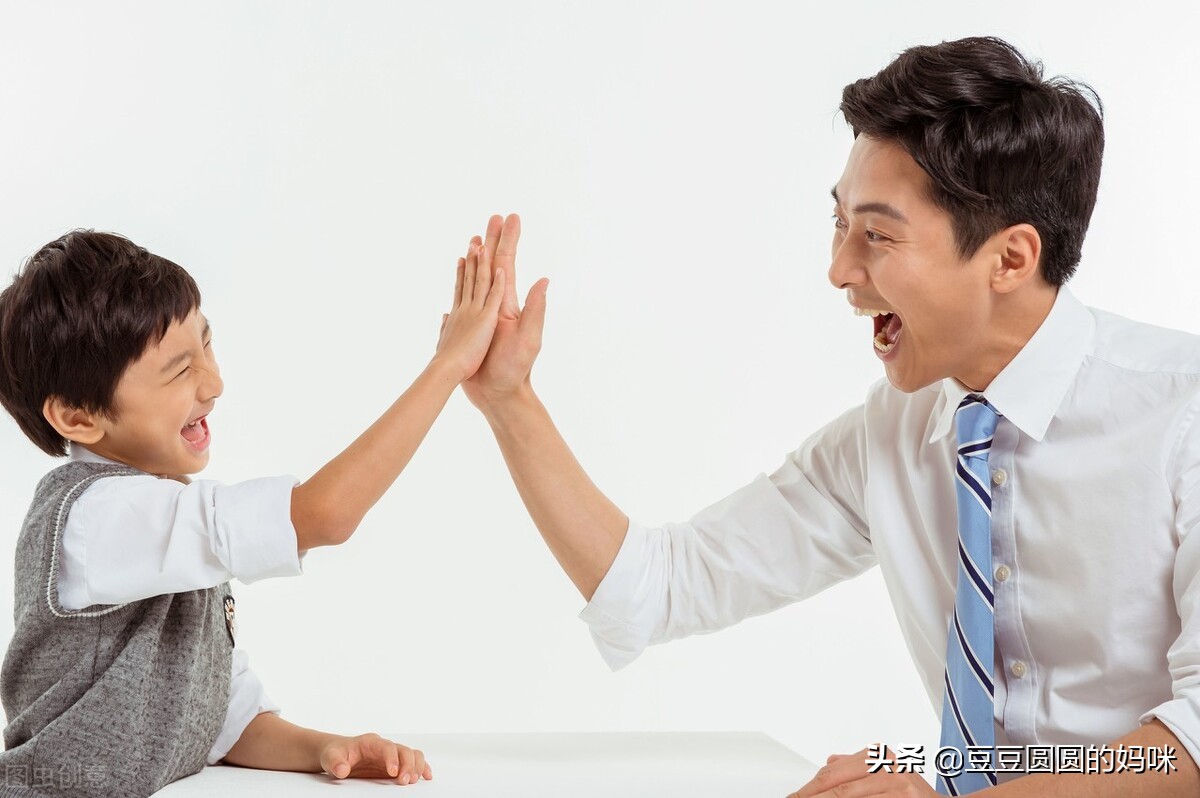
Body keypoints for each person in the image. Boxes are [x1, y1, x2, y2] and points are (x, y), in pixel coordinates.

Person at [461, 36, 1200, 797]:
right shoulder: (897, 432)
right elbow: (664, 585)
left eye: (877, 235)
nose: (840, 269)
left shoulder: (1183, 413)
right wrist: (511, 401)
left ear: (1010, 260)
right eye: (840, 222)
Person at [0, 230, 504, 796]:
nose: (215, 383)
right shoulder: (97, 517)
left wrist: (324, 750)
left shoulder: (163, 521)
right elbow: (324, 515)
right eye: (178, 369)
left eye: (207, 344)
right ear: (78, 416)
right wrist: (446, 368)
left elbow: (221, 718)